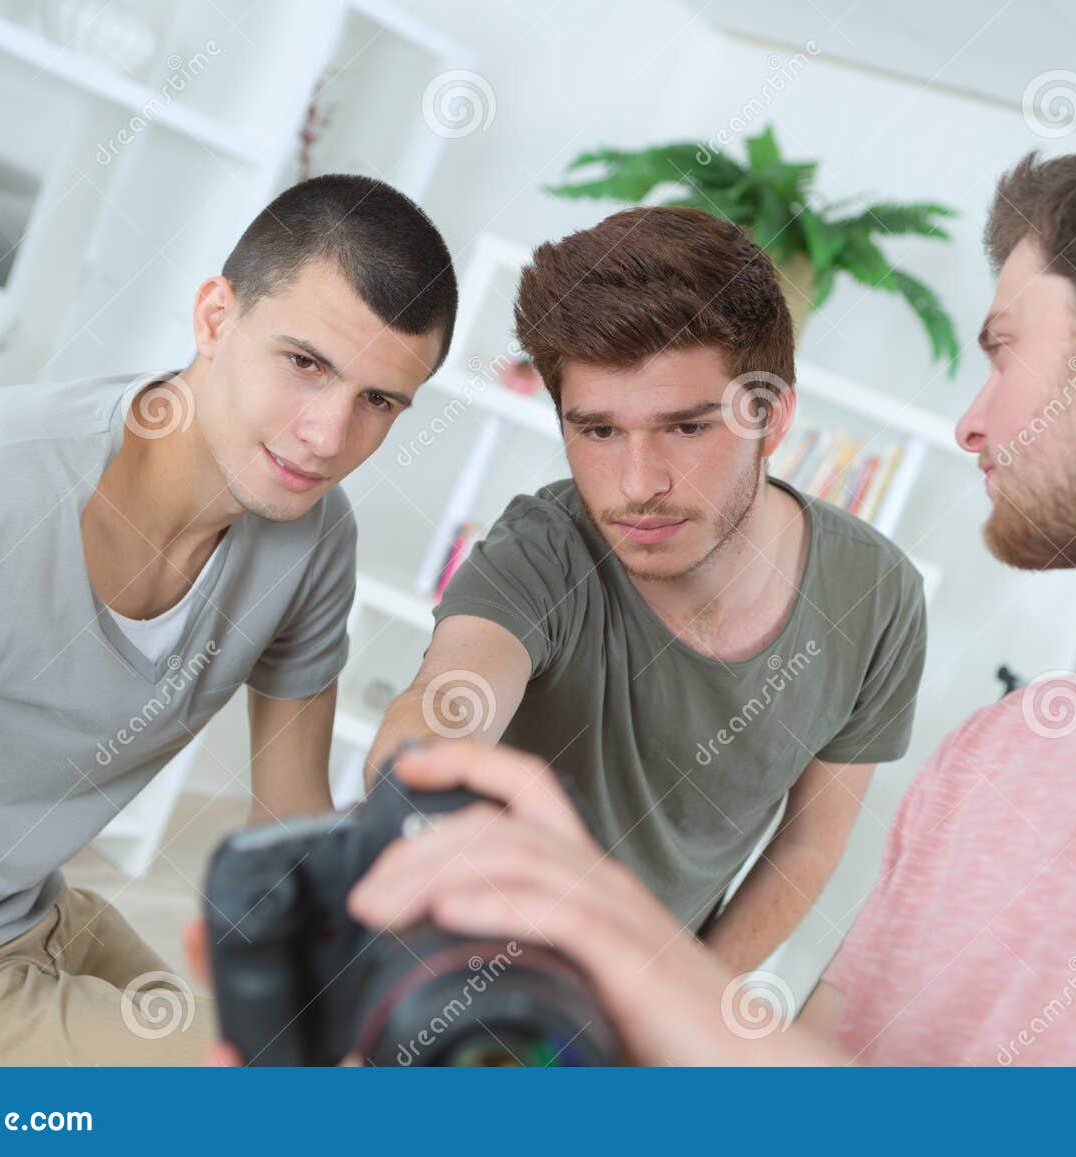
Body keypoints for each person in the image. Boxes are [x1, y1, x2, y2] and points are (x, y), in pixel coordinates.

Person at [329, 108, 1076, 1065]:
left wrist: (629, 965)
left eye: (1004, 346)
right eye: (596, 430)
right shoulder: (999, 754)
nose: (971, 421)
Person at [0, 174, 457, 1065]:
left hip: (33, 918)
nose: (326, 434)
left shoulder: (310, 538)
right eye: (306, 363)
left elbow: (288, 821)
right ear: (215, 318)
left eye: (379, 400)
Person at [362, 206, 928, 972]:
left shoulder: (877, 594)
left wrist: (682, 1012)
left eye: (687, 428)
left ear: (772, 414)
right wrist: (418, 771)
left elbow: (810, 842)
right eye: (598, 431)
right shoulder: (545, 548)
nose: (638, 484)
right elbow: (447, 694)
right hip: (444, 977)